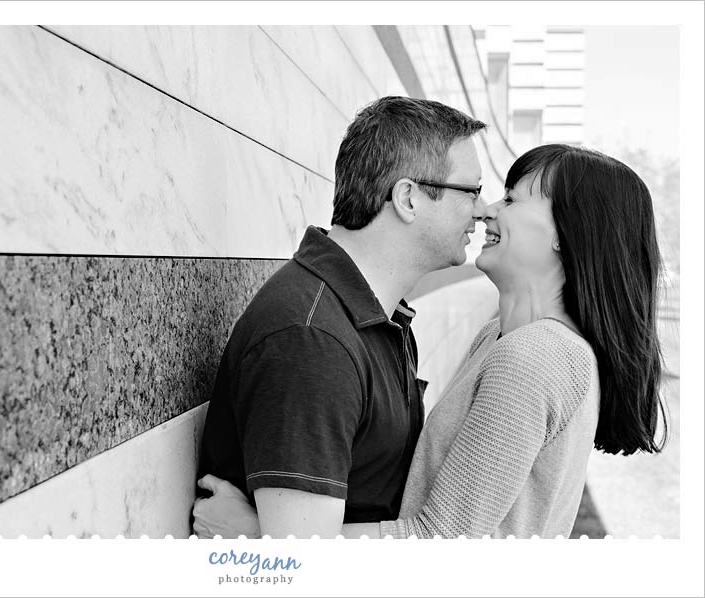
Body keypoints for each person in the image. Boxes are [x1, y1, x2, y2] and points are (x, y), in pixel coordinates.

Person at [194, 143, 667, 539]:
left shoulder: (535, 356)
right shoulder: (505, 338)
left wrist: (257, 536)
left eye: (512, 198)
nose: (488, 211)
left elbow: (437, 544)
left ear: (566, 234)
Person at [195, 96, 488, 539]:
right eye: (470, 192)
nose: (481, 210)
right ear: (408, 198)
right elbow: (302, 568)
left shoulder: (376, 317)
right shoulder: (312, 341)